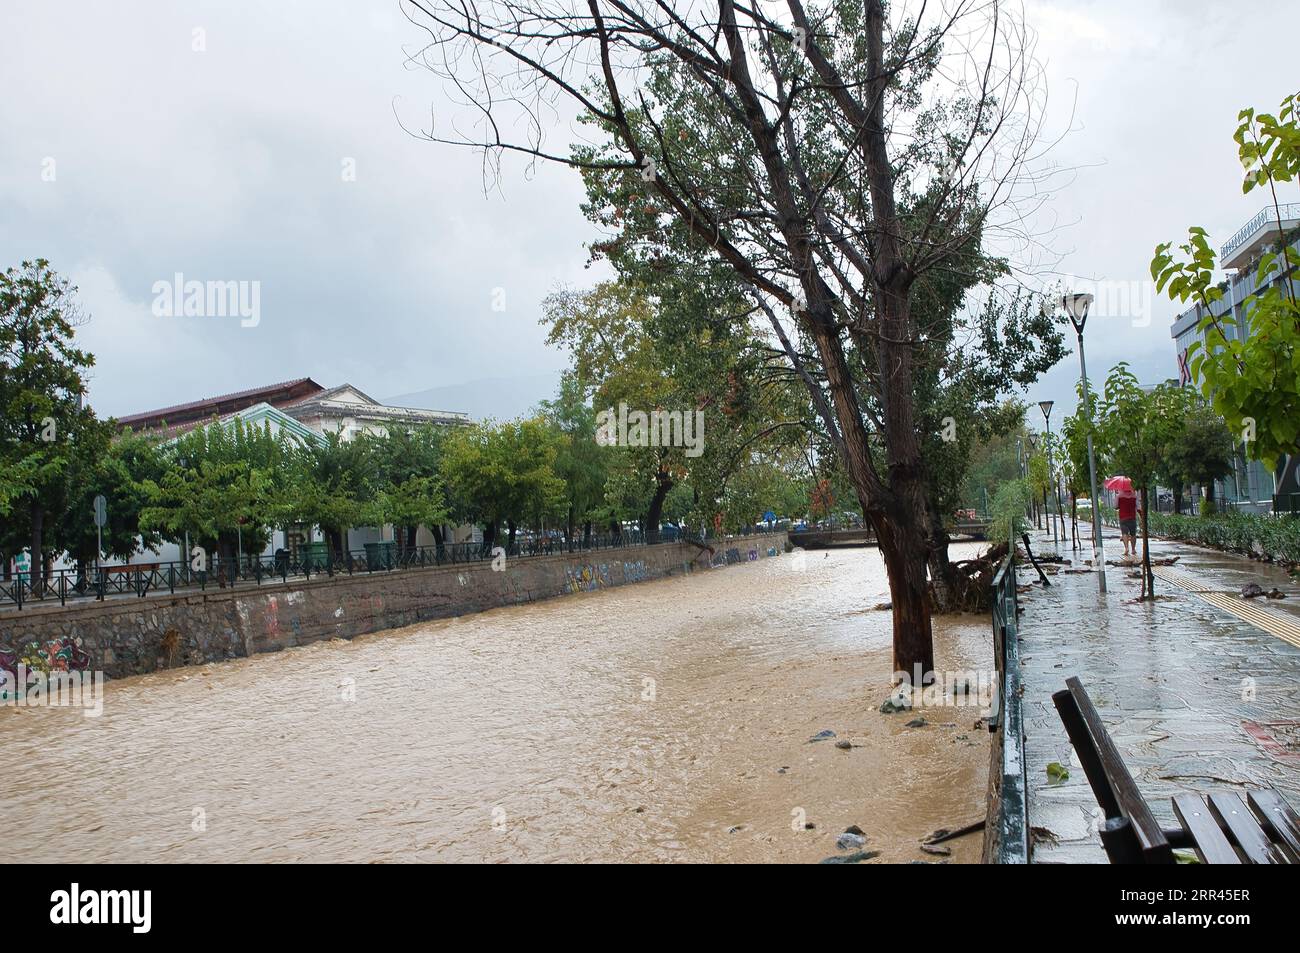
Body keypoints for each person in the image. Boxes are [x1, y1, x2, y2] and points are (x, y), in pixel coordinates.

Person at [1117, 488, 1139, 558]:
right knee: (1133, 534)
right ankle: (1133, 549)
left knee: (1124, 533)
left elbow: (1115, 506)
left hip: (1123, 517)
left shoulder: (1119, 496)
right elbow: (1138, 507)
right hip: (1132, 517)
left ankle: (1126, 548)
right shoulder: (1134, 496)